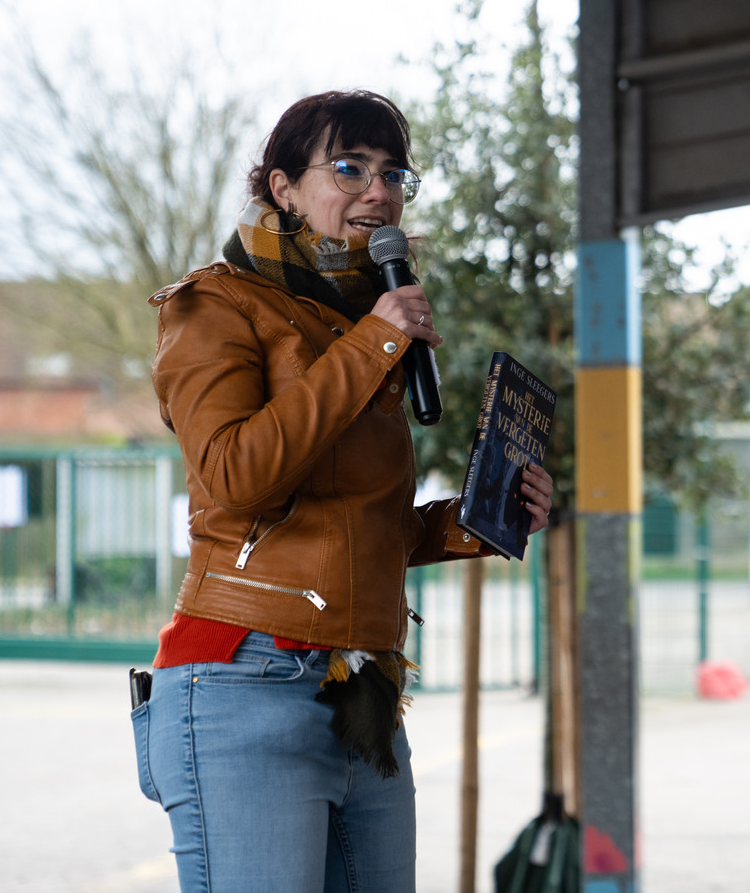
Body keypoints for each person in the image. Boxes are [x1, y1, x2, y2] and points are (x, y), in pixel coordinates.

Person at [132, 90, 554, 893]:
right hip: (246, 681)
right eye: (350, 167)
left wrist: (480, 518)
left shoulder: (356, 324)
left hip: (359, 688)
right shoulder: (215, 305)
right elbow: (236, 474)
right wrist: (377, 341)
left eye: (395, 173)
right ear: (282, 187)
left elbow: (360, 527)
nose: (378, 190)